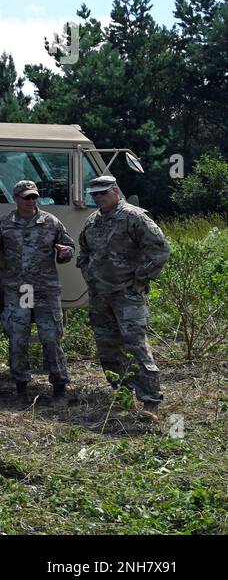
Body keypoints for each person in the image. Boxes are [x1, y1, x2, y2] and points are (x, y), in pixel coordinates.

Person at [77, 174, 171, 420]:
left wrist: (140, 279)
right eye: (95, 194)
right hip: (100, 297)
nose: (99, 198)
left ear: (116, 191)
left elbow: (160, 250)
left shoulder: (134, 217)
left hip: (127, 296)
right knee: (107, 348)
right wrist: (89, 274)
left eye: (103, 193)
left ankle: (150, 401)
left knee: (136, 345)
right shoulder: (91, 222)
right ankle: (124, 395)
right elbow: (83, 253)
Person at [0, 180, 77, 401]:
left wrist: (65, 253)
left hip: (45, 289)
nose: (31, 201)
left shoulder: (51, 222)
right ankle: (21, 386)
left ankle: (59, 386)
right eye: (26, 197)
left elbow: (69, 247)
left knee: (51, 336)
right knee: (18, 336)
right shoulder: (4, 223)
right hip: (19, 289)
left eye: (34, 197)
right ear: (16, 198)